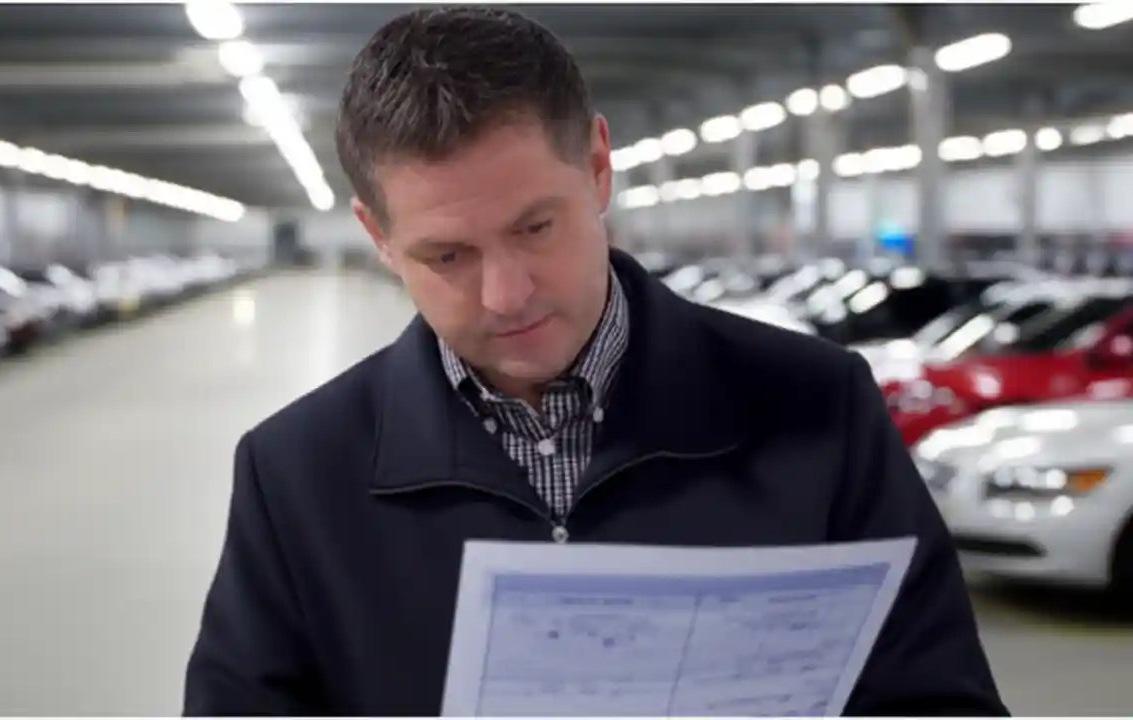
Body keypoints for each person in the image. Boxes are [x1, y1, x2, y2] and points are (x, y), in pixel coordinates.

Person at [184, 7, 1007, 716]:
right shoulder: (297, 470)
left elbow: (937, 701)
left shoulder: (818, 407)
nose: (507, 294)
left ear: (599, 166)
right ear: (377, 236)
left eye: (536, 227)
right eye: (447, 256)